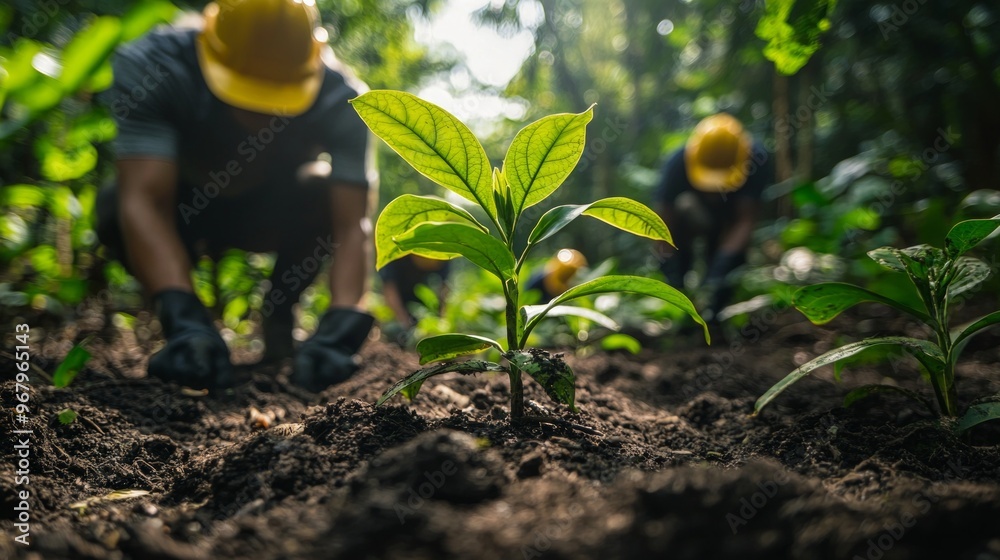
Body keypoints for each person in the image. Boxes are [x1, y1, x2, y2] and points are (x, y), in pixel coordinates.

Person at [95, 0, 375, 392]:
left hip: (270, 211)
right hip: (181, 210)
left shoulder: (344, 100)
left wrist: (341, 328)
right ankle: (187, 328)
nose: (261, 112)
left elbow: (352, 224)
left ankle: (280, 318)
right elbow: (146, 200)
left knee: (324, 188)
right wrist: (183, 318)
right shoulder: (155, 65)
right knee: (114, 205)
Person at [654, 113, 773, 323]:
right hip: (691, 217)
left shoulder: (756, 158)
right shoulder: (676, 164)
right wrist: (669, 264)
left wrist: (724, 263)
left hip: (730, 220)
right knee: (682, 216)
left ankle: (717, 313)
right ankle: (682, 306)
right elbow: (660, 222)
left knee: (724, 267)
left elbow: (745, 220)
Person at [379, 254, 451, 331]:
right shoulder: (396, 255)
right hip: (401, 304)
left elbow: (444, 290)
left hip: (427, 308)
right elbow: (389, 290)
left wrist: (441, 322)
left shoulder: (443, 254)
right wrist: (404, 322)